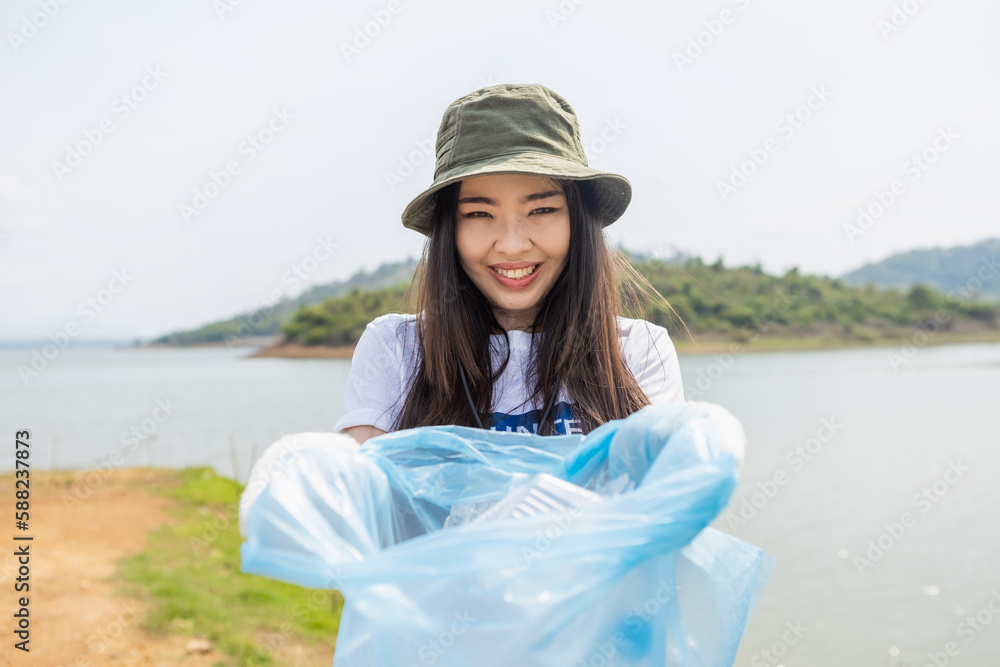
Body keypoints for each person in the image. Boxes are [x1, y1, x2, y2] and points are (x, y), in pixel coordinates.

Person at [334, 83, 687, 444]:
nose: (513, 245)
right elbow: (366, 491)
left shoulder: (637, 351)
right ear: (448, 229)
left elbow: (657, 493)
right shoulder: (397, 350)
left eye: (542, 209)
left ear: (578, 220)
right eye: (479, 213)